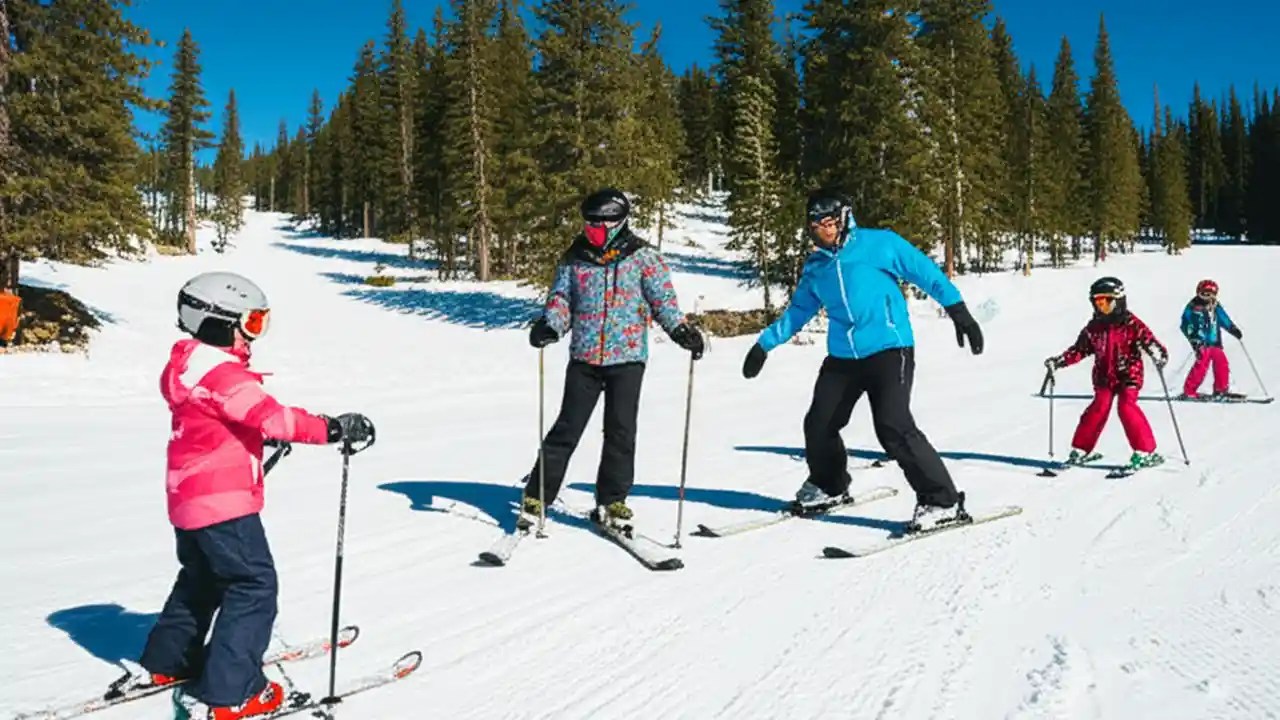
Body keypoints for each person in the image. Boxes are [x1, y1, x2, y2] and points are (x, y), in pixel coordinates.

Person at [115, 272, 375, 720]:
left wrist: (247, 438)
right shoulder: (221, 374)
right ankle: (232, 692)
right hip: (223, 504)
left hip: (187, 497)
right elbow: (273, 418)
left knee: (202, 578)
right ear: (217, 322)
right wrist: (334, 427)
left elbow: (219, 421)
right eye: (250, 323)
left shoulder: (187, 365)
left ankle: (168, 662)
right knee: (253, 585)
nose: (254, 334)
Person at [740, 189, 984, 533]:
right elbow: (798, 312)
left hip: (889, 347)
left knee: (893, 425)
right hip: (843, 356)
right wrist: (764, 345)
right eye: (816, 224)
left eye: (829, 222)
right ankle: (829, 485)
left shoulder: (878, 243)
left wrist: (959, 312)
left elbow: (924, 271)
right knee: (819, 424)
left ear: (843, 217)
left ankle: (941, 500)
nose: (824, 230)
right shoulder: (816, 267)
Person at [522, 188, 704, 527]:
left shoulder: (642, 257)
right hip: (585, 357)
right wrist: (550, 326)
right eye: (589, 222)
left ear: (618, 222)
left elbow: (662, 300)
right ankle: (537, 497)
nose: (594, 228)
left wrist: (680, 330)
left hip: (628, 357)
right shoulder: (575, 258)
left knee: (621, 431)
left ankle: (612, 500)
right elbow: (562, 299)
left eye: (601, 223)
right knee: (567, 428)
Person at [1044, 276, 1169, 473]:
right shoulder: (1094, 327)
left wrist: (1158, 354)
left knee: (1126, 407)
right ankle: (1081, 448)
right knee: (1098, 407)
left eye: (1106, 301)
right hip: (1104, 376)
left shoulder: (1131, 323)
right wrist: (1059, 361)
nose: (1102, 306)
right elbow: (1080, 350)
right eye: (1098, 302)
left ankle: (1146, 451)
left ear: (1118, 300)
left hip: (1129, 374)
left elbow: (1150, 341)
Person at [1179, 278, 1243, 399]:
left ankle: (1221, 389)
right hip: (1202, 342)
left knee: (1222, 364)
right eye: (1204, 294)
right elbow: (1185, 324)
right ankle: (1189, 390)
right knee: (1201, 366)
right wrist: (1193, 337)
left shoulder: (1215, 306)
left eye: (1211, 295)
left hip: (1215, 342)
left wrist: (1232, 328)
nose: (1207, 298)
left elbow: (1224, 318)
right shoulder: (1193, 307)